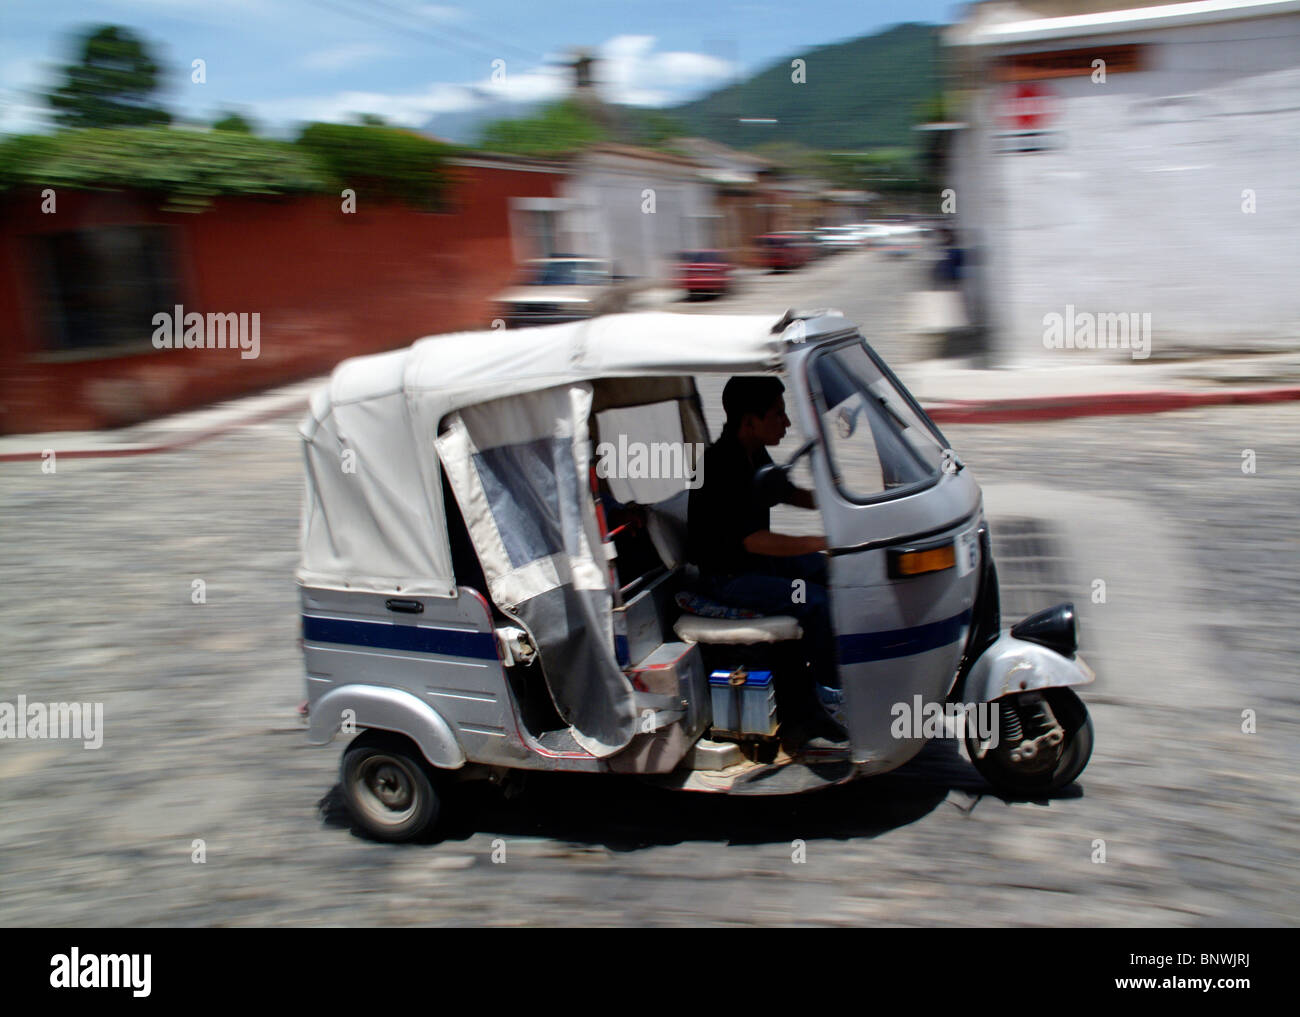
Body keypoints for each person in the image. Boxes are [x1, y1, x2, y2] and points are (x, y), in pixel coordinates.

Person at [686, 376, 848, 749]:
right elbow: (756, 541)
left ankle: (828, 668)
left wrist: (840, 505)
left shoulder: (753, 452)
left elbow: (787, 492)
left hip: (757, 568)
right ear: (749, 421)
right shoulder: (720, 466)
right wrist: (824, 539)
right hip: (730, 579)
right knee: (811, 598)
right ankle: (827, 701)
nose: (787, 423)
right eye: (778, 414)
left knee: (829, 570)